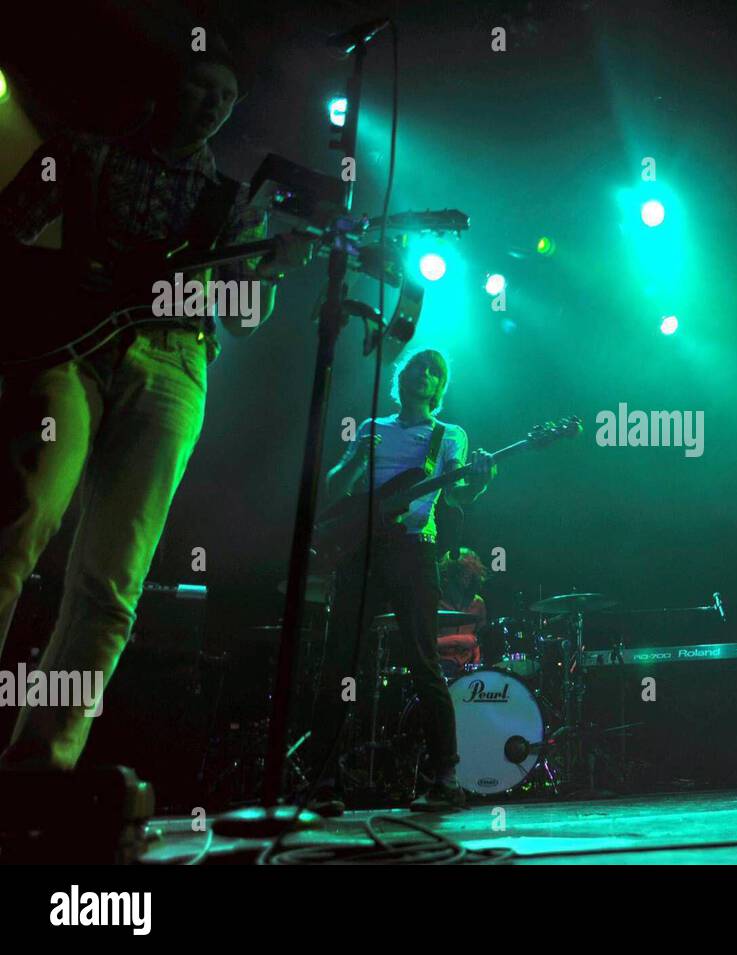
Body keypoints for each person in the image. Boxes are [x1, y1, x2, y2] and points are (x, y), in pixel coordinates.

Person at [0, 40, 313, 772]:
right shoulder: (84, 152)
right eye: (205, 87)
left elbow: (240, 316)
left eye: (229, 100)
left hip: (174, 362)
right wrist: (65, 282)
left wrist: (268, 269)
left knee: (113, 580)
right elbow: (8, 229)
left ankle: (41, 767)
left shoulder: (231, 200)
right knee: (19, 519)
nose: (215, 106)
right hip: (71, 353)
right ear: (168, 86)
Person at [320, 349, 495, 811]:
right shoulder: (371, 428)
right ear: (402, 377)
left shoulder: (447, 435)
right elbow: (336, 488)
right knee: (339, 663)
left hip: (415, 552)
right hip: (361, 553)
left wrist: (478, 480)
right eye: (419, 367)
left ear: (440, 387)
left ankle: (445, 779)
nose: (426, 375)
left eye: (436, 371)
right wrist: (358, 460)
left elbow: (458, 495)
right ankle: (323, 783)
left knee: (424, 663)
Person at [435, 547, 489, 676]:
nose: (466, 577)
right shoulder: (434, 601)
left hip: (467, 666)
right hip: (439, 665)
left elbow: (479, 638)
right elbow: (422, 643)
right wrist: (457, 640)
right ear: (450, 573)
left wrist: (476, 656)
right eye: (462, 571)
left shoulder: (478, 603)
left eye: (469, 572)